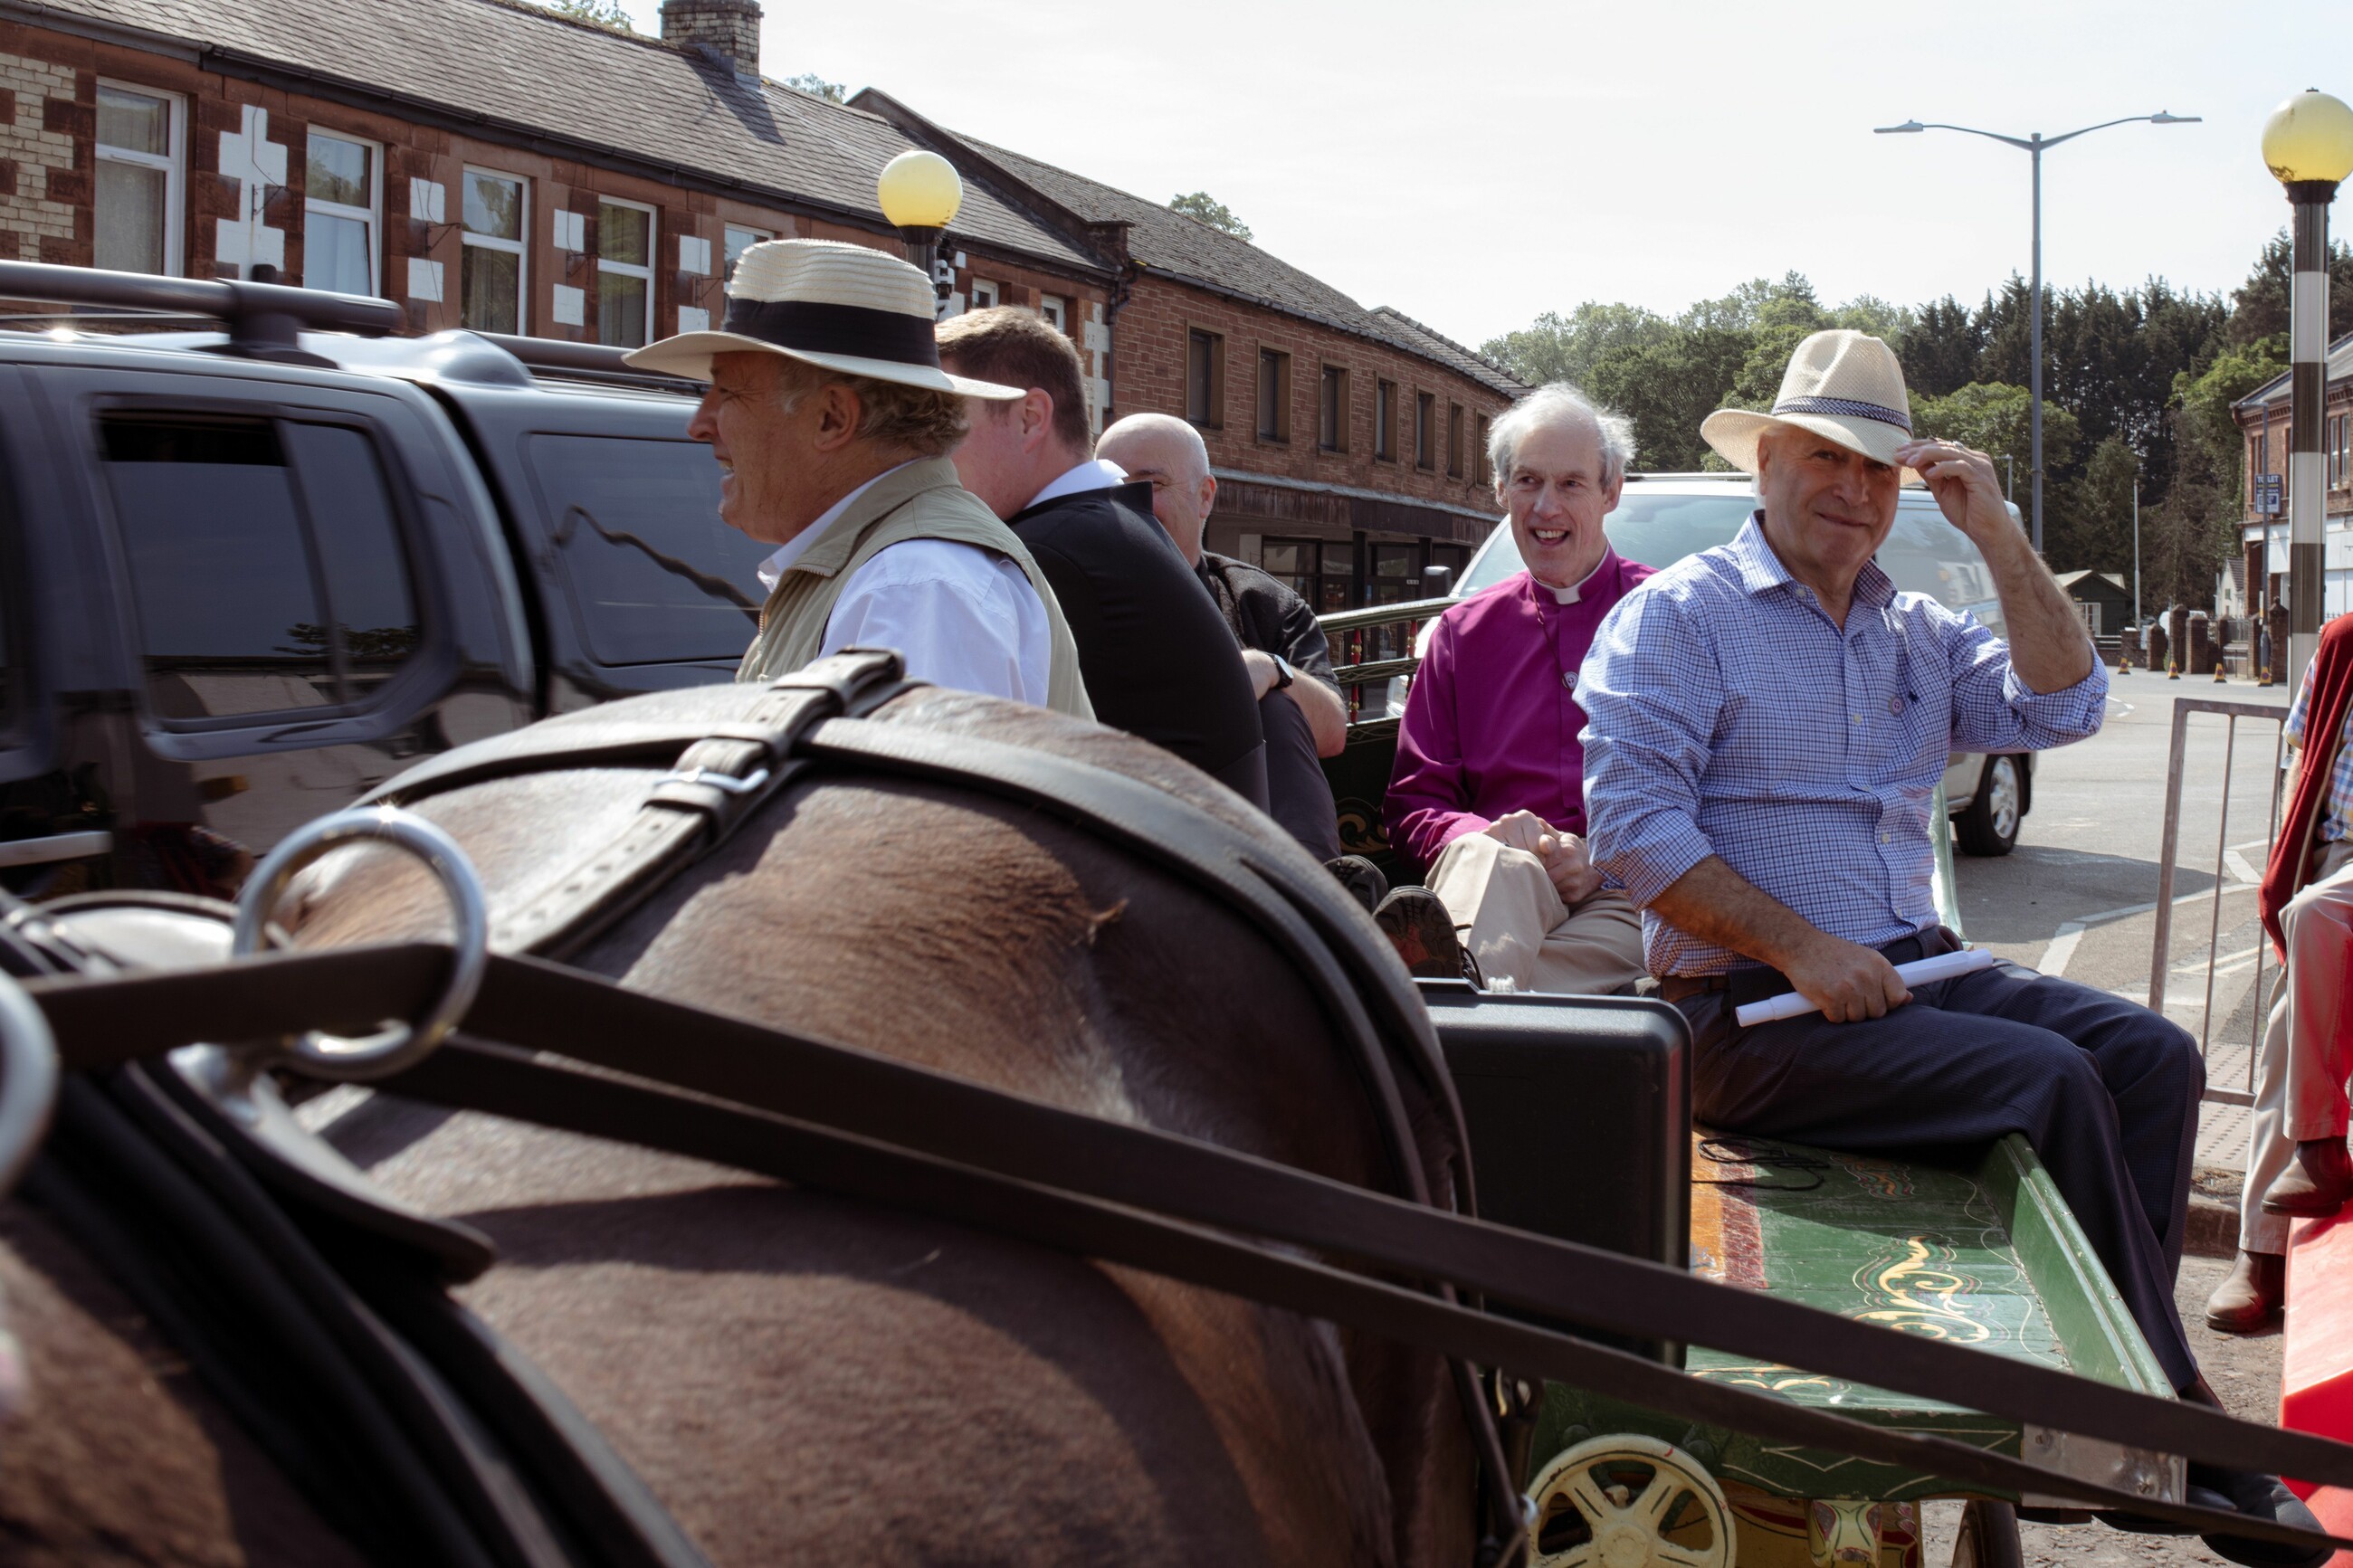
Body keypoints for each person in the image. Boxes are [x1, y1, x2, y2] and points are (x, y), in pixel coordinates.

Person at [1578, 328, 2318, 1563]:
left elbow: (2066, 702)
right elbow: (1633, 830)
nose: (1851, 491)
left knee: (2150, 1058)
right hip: (1746, 1013)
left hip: (1910, 970)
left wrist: (1999, 534)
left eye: (1877, 468)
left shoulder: (1914, 625)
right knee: (2049, 1080)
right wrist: (1807, 948)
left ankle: (2102, 1410)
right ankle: (2166, 1429)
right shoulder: (1681, 620)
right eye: (1823, 457)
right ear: (1765, 462)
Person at [625, 239, 1088, 714]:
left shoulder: (914, 587)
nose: (699, 424)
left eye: (728, 392)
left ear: (831, 418)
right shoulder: (897, 576)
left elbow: (902, 790)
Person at [1381, 385, 1653, 994]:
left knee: (1499, 979)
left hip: (1624, 900)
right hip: (1491, 880)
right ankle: (1469, 1006)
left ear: (1611, 492)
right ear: (1502, 491)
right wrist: (1485, 833)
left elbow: (1721, 795)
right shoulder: (1459, 633)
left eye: (1571, 484)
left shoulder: (1670, 615)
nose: (1546, 507)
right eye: (1528, 481)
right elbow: (1412, 805)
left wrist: (1604, 861)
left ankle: (1434, 1006)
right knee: (1492, 862)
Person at [936, 309, 1268, 806]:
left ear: (1030, 418)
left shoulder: (1050, 555)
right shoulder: (1109, 528)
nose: (929, 450)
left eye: (948, 422)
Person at [1097, 412, 1346, 859]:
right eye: (1112, 486)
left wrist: (1271, 669)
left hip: (1246, 837)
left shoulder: (1261, 602)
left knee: (1277, 703)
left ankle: (1317, 895)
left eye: (1150, 485)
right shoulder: (1068, 591)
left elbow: (1333, 731)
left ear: (1204, 496)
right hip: (1124, 829)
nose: (1128, 502)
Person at [2208, 613, 2353, 1332]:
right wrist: (2292, 860)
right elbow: (2302, 759)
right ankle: (2260, 1252)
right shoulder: (2343, 641)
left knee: (2318, 917)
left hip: (2337, 896)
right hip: (2335, 863)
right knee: (2284, 1030)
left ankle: (2322, 1152)